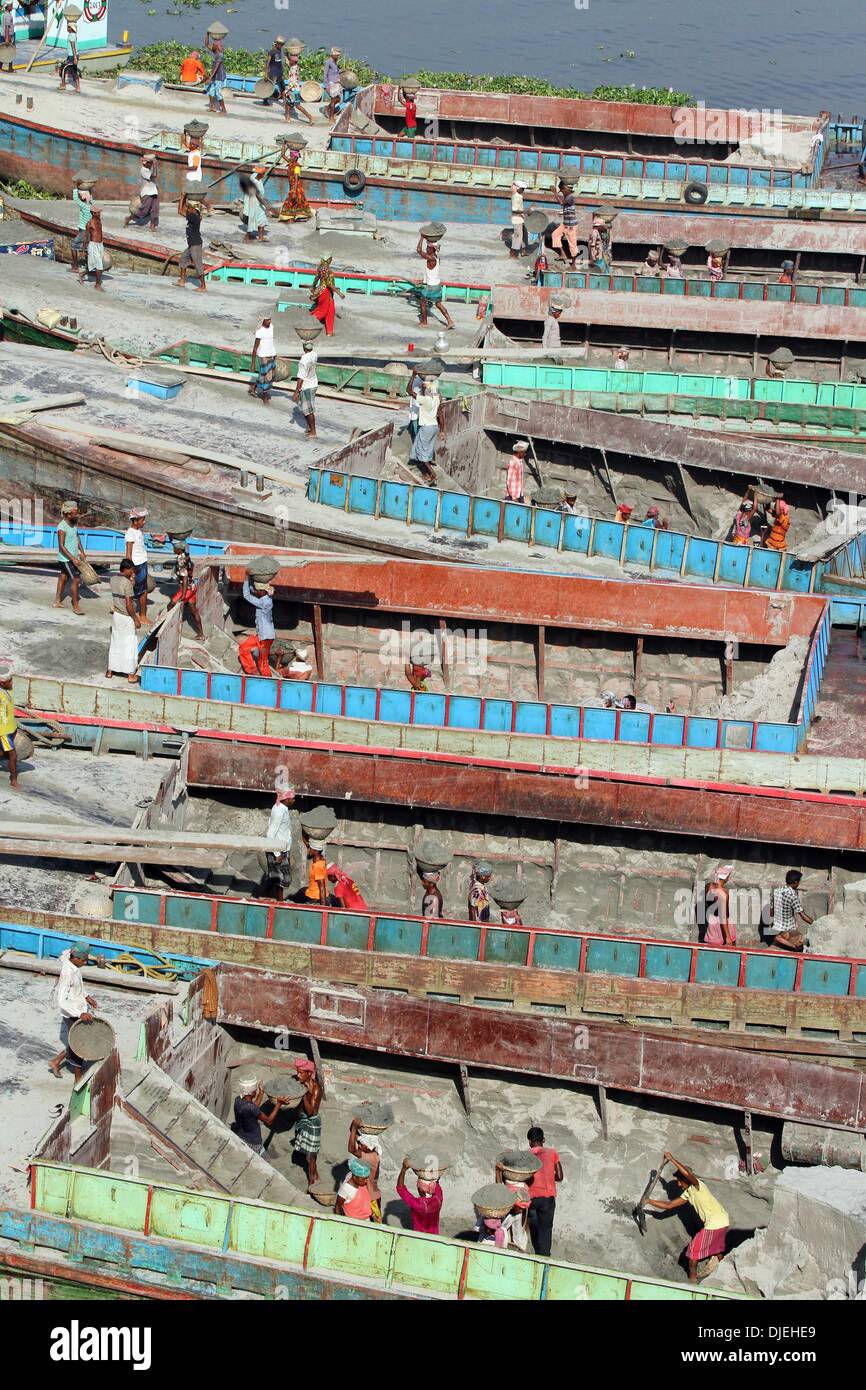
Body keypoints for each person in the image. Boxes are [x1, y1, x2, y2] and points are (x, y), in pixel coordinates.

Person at [646, 1152, 730, 1283]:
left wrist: (672, 1159)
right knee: (714, 1245)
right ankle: (723, 1265)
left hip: (715, 1223)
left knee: (692, 1254)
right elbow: (669, 1205)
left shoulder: (698, 1186)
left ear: (686, 1179)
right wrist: (649, 1201)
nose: (679, 1184)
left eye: (680, 1181)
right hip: (723, 1221)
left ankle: (693, 1280)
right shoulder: (688, 1194)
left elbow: (687, 1174)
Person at [48, 940, 96, 1081]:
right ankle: (77, 1077)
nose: (85, 963)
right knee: (78, 1044)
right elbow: (62, 1001)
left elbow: (78, 986)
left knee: (76, 1041)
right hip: (72, 1014)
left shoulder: (75, 967)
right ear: (75, 958)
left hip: (79, 1009)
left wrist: (87, 997)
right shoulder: (67, 973)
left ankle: (56, 1061)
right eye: (83, 960)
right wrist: (79, 1014)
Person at [526, 1126, 563, 1256]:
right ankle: (545, 1257)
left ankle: (537, 1254)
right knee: (546, 1230)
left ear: (529, 1141)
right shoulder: (552, 1153)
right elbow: (560, 1177)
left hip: (530, 1198)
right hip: (547, 1198)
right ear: (543, 1140)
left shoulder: (525, 1156)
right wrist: (549, 1176)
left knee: (534, 1229)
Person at [106, 556, 142, 684]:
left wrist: (131, 579)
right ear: (125, 569)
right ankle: (130, 674)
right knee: (129, 644)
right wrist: (136, 619)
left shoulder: (113, 579)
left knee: (116, 642)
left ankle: (110, 671)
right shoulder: (126, 583)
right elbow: (129, 604)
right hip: (126, 617)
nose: (132, 572)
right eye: (131, 570)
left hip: (116, 615)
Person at [232, 1078, 288, 1156]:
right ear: (251, 1093)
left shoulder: (238, 1100)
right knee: (264, 1161)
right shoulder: (251, 1108)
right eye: (255, 1090)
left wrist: (261, 1092)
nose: (256, 1091)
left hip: (241, 1136)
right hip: (253, 1142)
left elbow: (254, 1107)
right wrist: (279, 1104)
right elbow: (269, 1121)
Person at [764, 869, 813, 952]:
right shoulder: (792, 895)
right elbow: (802, 915)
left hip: (776, 928)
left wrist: (771, 925)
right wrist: (815, 923)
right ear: (795, 882)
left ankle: (778, 937)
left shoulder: (776, 891)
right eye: (799, 882)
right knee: (801, 941)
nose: (799, 884)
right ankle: (792, 945)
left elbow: (771, 911)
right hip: (786, 930)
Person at [292, 1059, 323, 1188]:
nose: (298, 1075)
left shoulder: (316, 1089)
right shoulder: (300, 1082)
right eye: (297, 1072)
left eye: (301, 1073)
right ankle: (316, 1175)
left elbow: (311, 1112)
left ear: (309, 1073)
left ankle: (312, 1184)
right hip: (302, 1120)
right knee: (308, 1155)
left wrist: (303, 1095)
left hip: (312, 1123)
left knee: (311, 1157)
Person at [166, 538, 204, 639]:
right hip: (193, 587)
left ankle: (169, 628)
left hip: (186, 589)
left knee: (170, 605)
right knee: (193, 610)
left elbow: (185, 577)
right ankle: (201, 634)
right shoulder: (187, 557)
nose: (173, 549)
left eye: (175, 548)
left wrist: (183, 595)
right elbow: (191, 568)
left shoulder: (181, 560)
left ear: (179, 549)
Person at [415, 234, 455, 329]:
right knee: (438, 304)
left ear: (432, 249)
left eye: (427, 248)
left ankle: (424, 322)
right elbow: (432, 273)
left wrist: (422, 237)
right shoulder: (437, 257)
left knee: (422, 302)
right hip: (437, 285)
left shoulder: (431, 259)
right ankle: (450, 321)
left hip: (431, 287)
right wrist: (423, 281)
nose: (426, 249)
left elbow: (419, 250)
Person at [396, 1157, 444, 1235]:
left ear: (421, 1190)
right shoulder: (438, 1200)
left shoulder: (417, 1204)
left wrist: (404, 1169)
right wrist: (433, 1173)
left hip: (419, 1238)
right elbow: (437, 1184)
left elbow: (400, 1188)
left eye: (418, 1187)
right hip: (435, 1238)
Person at [54, 500, 86, 614]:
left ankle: (57, 601)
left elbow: (77, 537)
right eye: (75, 513)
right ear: (68, 514)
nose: (77, 515)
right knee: (76, 579)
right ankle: (75, 604)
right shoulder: (62, 527)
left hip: (71, 557)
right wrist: (73, 559)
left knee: (63, 577)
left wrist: (82, 551)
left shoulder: (74, 524)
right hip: (66, 559)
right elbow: (61, 546)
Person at [409, 376, 444, 480]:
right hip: (434, 427)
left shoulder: (424, 400)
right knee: (427, 451)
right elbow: (441, 415)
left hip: (426, 428)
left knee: (421, 452)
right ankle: (426, 475)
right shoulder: (437, 399)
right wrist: (442, 430)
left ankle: (432, 474)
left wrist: (413, 375)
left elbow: (409, 390)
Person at [263, 786, 295, 901]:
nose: (294, 800)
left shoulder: (282, 808)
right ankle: (280, 901)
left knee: (276, 877)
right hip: (277, 850)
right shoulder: (279, 811)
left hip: (283, 848)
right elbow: (270, 833)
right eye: (292, 798)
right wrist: (277, 854)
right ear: (286, 799)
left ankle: (265, 896)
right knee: (281, 878)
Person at [240, 577, 276, 676]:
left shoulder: (263, 602)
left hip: (265, 638)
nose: (256, 591)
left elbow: (247, 595)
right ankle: (251, 671)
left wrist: (246, 579)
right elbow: (252, 590)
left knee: (263, 663)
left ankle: (268, 681)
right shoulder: (265, 597)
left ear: (263, 591)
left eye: (258, 590)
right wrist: (250, 578)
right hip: (261, 635)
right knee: (243, 648)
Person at [349, 1119, 383, 1221]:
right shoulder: (371, 1151)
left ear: (368, 1146)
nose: (359, 1145)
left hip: (371, 1197)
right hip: (373, 1194)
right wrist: (354, 1126)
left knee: (373, 1223)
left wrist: (354, 1127)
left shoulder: (371, 1157)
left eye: (361, 1144)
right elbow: (354, 1134)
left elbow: (351, 1149)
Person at [175, 200, 207, 293]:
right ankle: (182, 280)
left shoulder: (194, 217)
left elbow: (180, 211)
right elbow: (183, 210)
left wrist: (182, 197)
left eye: (190, 208)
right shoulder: (193, 216)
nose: (188, 209)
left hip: (195, 245)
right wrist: (184, 199)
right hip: (191, 245)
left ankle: (203, 286)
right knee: (183, 258)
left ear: (194, 210)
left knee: (198, 265)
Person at [309, 256, 344, 336]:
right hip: (326, 292)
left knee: (331, 311)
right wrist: (339, 293)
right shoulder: (328, 270)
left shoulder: (320, 268)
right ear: (329, 260)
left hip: (322, 291)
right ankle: (309, 321)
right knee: (323, 311)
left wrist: (313, 287)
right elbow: (329, 284)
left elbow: (316, 279)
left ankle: (329, 332)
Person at [125, 156, 159, 231]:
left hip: (154, 192)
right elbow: (153, 176)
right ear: (145, 163)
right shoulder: (143, 170)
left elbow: (154, 176)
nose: (151, 164)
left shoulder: (149, 170)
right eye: (149, 163)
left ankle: (152, 226)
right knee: (144, 211)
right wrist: (155, 165)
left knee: (155, 210)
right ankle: (129, 218)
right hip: (147, 193)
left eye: (151, 163)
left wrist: (154, 166)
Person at [704, 864, 735, 946]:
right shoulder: (722, 893)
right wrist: (727, 937)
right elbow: (723, 916)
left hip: (712, 927)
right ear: (726, 877)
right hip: (723, 929)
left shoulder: (709, 887)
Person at [278, 143, 312, 220]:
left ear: (296, 157)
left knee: (291, 202)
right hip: (292, 187)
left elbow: (296, 179)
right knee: (296, 202)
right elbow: (283, 155)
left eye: (292, 156)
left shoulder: (296, 167)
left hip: (295, 188)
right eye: (290, 156)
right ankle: (295, 216)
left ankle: (290, 217)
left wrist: (294, 191)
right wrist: (284, 146)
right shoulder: (291, 162)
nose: (290, 157)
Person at [0, 657, 19, 789]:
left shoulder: (7, 690)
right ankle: (13, 780)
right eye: (9, 681)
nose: (12, 683)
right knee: (12, 755)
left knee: (2, 753)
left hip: (11, 727)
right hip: (4, 731)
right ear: (2, 683)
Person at [294, 338, 319, 436]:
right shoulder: (314, 354)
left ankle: (313, 431)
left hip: (306, 386)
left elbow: (300, 378)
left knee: (308, 411)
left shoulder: (303, 360)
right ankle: (309, 428)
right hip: (313, 384)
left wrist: (296, 392)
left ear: (304, 348)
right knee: (307, 409)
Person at [249, 316, 276, 405]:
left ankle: (253, 387)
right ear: (263, 321)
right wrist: (253, 363)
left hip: (271, 354)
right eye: (267, 320)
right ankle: (265, 395)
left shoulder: (271, 326)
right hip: (263, 355)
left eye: (270, 319)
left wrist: (274, 354)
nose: (270, 321)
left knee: (263, 375)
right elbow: (255, 347)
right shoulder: (260, 331)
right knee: (267, 377)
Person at [552, 180, 579, 268]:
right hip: (565, 224)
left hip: (571, 226)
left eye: (563, 191)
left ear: (567, 190)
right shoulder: (567, 196)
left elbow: (561, 203)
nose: (562, 192)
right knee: (555, 235)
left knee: (572, 245)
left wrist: (554, 192)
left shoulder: (570, 198)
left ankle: (574, 264)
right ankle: (562, 254)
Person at [70, 176, 93, 277]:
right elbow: (89, 194)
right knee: (86, 248)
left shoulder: (84, 206)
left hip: (83, 230)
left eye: (81, 195)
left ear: (84, 197)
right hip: (87, 230)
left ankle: (75, 267)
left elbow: (75, 198)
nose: (80, 196)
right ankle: (89, 267)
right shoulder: (91, 205)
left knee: (73, 246)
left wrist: (76, 185)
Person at [240, 167, 270, 242]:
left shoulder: (255, 177)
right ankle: (247, 237)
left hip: (258, 203)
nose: (264, 175)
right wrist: (266, 205)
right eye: (263, 174)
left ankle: (261, 237)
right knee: (252, 220)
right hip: (254, 203)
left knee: (262, 219)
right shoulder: (255, 182)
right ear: (259, 174)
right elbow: (258, 195)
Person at [283, 52, 313, 124]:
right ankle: (288, 118)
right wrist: (286, 55)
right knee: (288, 103)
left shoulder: (293, 69)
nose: (289, 61)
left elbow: (293, 82)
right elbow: (288, 63)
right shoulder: (296, 67)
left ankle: (310, 117)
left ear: (293, 61)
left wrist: (287, 90)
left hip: (293, 89)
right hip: (294, 89)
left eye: (290, 60)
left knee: (297, 105)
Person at [80, 206, 105, 291]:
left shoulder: (99, 221)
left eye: (99, 212)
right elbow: (85, 237)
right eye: (98, 213)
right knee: (99, 266)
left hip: (100, 245)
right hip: (93, 246)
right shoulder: (89, 223)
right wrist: (83, 250)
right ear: (93, 213)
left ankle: (82, 274)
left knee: (98, 265)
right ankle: (97, 285)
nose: (99, 214)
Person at [204, 32, 227, 115]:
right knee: (211, 91)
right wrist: (207, 34)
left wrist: (210, 78)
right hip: (214, 76)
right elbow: (206, 44)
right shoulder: (215, 52)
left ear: (217, 47)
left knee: (218, 93)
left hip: (219, 77)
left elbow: (216, 68)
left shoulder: (220, 55)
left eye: (213, 45)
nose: (212, 46)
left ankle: (223, 109)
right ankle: (212, 107)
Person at [263, 35, 286, 105]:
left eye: (282, 45)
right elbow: (267, 63)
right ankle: (265, 101)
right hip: (272, 73)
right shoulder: (272, 52)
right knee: (269, 87)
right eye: (280, 44)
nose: (281, 46)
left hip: (279, 73)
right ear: (276, 44)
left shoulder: (280, 51)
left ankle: (285, 102)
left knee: (282, 88)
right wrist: (266, 73)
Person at [509, 179, 528, 258]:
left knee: (524, 235)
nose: (523, 190)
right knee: (518, 237)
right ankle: (512, 253)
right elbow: (514, 210)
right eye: (522, 188)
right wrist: (525, 212)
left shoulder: (519, 196)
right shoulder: (515, 197)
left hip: (521, 219)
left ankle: (523, 251)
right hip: (517, 220)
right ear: (517, 188)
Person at [323, 45, 342, 121]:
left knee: (338, 99)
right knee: (334, 100)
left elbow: (335, 72)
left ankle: (327, 108)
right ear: (333, 55)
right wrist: (327, 85)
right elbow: (325, 74)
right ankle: (331, 117)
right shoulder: (328, 62)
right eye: (337, 55)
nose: (338, 57)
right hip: (331, 84)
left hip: (336, 83)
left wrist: (341, 71)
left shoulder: (335, 62)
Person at [405, 364, 424, 439]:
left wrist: (413, 375)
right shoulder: (417, 381)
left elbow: (408, 390)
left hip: (421, 408)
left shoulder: (425, 382)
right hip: (417, 408)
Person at [2, 3, 15, 72]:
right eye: (11, 5)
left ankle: (9, 68)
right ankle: (10, 68)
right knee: (11, 51)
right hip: (9, 36)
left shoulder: (6, 14)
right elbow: (7, 27)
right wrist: (7, 38)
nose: (12, 7)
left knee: (5, 51)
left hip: (7, 35)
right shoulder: (8, 15)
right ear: (8, 7)